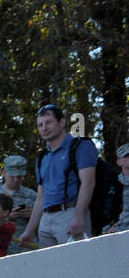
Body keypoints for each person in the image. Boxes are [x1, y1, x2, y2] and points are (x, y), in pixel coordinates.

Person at [18, 104, 97, 247]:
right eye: (40, 125)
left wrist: (79, 216)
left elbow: (88, 183)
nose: (44, 128)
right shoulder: (42, 157)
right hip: (46, 220)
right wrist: (29, 230)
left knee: (77, 265)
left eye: (48, 122)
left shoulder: (80, 146)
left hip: (70, 214)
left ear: (62, 122)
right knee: (50, 268)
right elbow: (41, 196)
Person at [105, 142, 129, 234]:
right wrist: (107, 228)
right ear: (119, 162)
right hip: (118, 232)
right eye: (127, 156)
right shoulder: (113, 184)